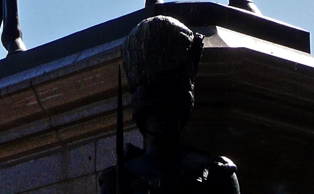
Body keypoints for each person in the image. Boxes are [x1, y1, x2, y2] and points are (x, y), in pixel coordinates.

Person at [98, 16, 240, 193]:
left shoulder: (216, 174)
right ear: (141, 112)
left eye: (173, 107)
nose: (166, 117)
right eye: (156, 109)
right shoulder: (117, 180)